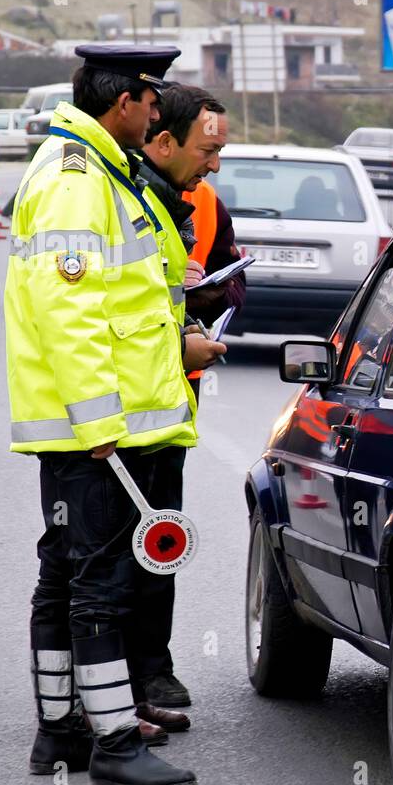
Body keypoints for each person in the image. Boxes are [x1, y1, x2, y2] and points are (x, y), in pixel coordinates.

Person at [6, 44, 226, 785]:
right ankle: (112, 742)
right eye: (153, 99)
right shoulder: (75, 181)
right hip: (102, 430)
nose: (159, 112)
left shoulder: (96, 170)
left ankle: (62, 730)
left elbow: (127, 303)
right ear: (126, 101)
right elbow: (69, 313)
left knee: (66, 577)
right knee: (99, 584)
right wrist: (101, 425)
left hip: (99, 425)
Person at [131, 84, 241, 711]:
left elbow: (232, 275)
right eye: (209, 148)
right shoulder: (127, 202)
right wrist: (179, 337)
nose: (215, 162)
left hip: (174, 401)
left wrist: (206, 305)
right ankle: (109, 688)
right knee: (107, 556)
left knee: (160, 539)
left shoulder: (205, 203)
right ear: (163, 138)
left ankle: (153, 669)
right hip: (117, 413)